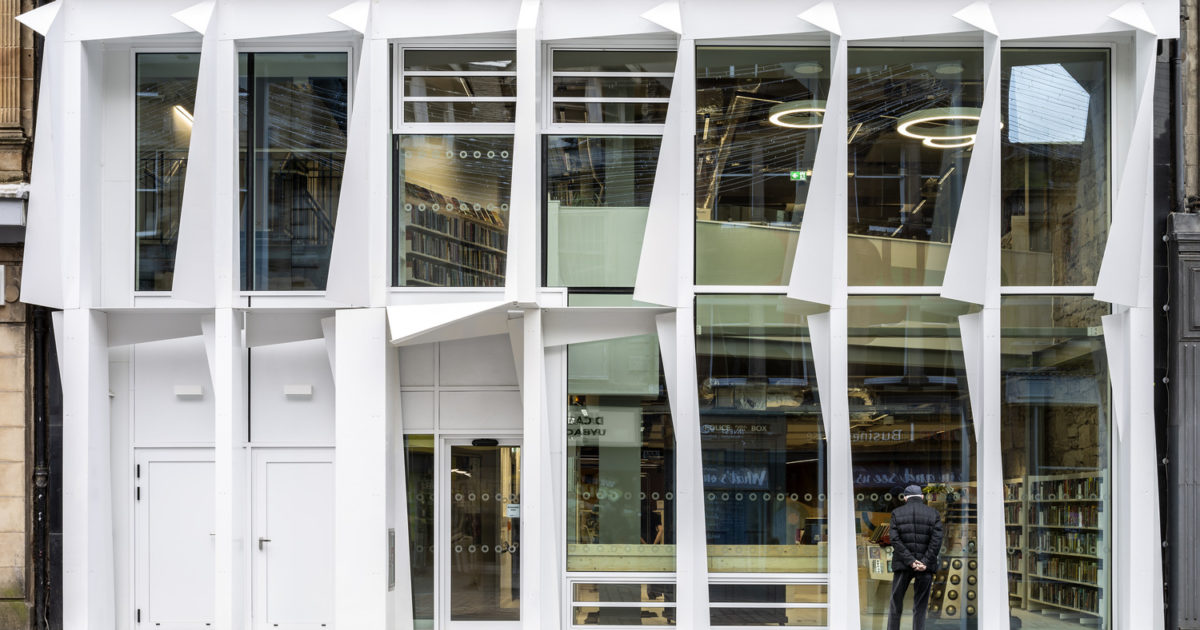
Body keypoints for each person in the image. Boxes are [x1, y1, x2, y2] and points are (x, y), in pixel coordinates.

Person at [886, 485, 944, 630]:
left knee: (896, 603)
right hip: (925, 567)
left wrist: (910, 561)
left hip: (903, 565)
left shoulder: (896, 513)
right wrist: (924, 562)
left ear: (905, 498)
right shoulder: (933, 513)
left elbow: (895, 540)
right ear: (922, 497)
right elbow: (936, 541)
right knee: (920, 606)